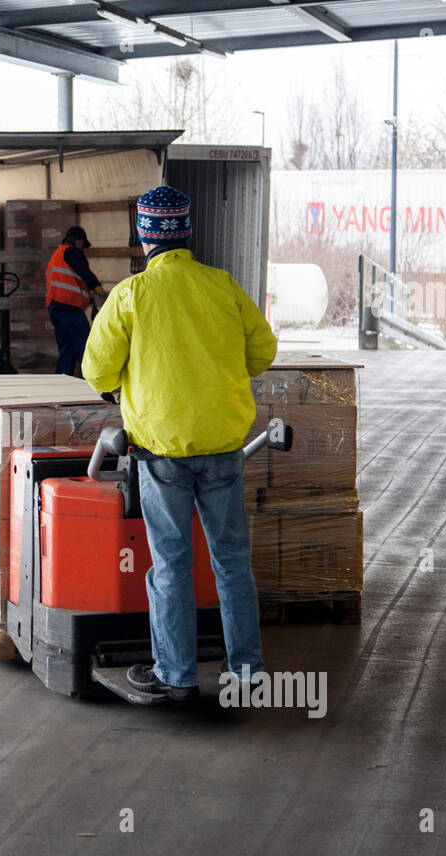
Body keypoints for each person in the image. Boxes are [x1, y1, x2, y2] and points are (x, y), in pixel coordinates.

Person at [81, 185, 278, 701]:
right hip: (224, 449)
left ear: (144, 236)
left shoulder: (132, 294)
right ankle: (247, 672)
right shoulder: (222, 285)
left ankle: (176, 675)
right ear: (186, 232)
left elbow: (96, 369)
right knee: (231, 562)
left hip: (162, 452)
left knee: (171, 565)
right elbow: (262, 352)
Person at [45, 226, 106, 376]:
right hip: (69, 308)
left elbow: (71, 280)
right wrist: (98, 288)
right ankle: (93, 380)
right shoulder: (72, 252)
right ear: (78, 240)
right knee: (85, 346)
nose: (83, 249)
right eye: (83, 245)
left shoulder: (58, 254)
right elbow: (85, 272)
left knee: (67, 350)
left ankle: (62, 381)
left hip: (55, 307)